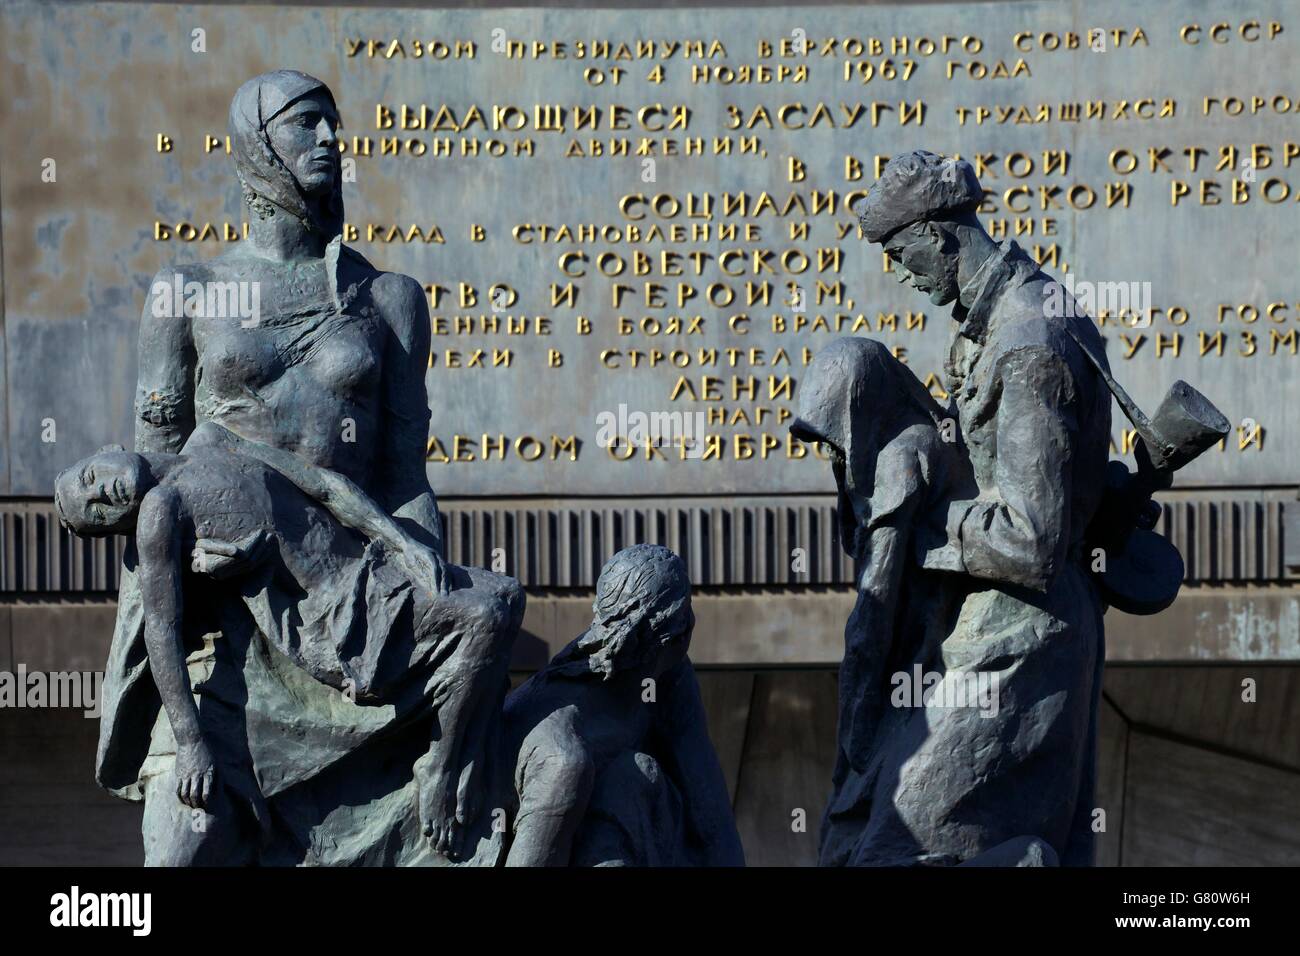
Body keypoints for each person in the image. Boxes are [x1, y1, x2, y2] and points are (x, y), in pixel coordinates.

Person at [95, 70, 522, 864]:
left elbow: (405, 479)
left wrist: (419, 581)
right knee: (185, 852)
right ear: (257, 147)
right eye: (305, 125)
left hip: (348, 605)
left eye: (332, 123)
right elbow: (154, 471)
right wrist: (93, 498)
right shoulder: (189, 292)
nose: (329, 139)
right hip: (220, 634)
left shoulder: (388, 298)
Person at [59, 424, 520, 863]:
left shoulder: (211, 438)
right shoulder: (159, 512)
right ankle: (441, 768)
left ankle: (467, 746)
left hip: (371, 571)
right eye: (98, 514)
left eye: (90, 480)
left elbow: (323, 485)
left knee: (508, 594)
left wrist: (402, 543)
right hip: (333, 623)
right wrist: (191, 742)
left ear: (106, 451)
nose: (104, 494)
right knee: (484, 618)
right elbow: (163, 633)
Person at [835, 150, 1113, 865]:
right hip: (992, 628)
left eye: (900, 254)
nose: (899, 273)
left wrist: (920, 522)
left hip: (1021, 642)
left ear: (940, 235)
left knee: (891, 851)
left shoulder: (1028, 343)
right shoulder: (1004, 319)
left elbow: (1030, 540)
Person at [502, 545, 744, 866]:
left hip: (633, 831)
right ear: (670, 636)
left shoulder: (667, 674)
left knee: (639, 776)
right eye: (687, 617)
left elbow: (708, 806)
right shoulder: (561, 755)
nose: (691, 627)